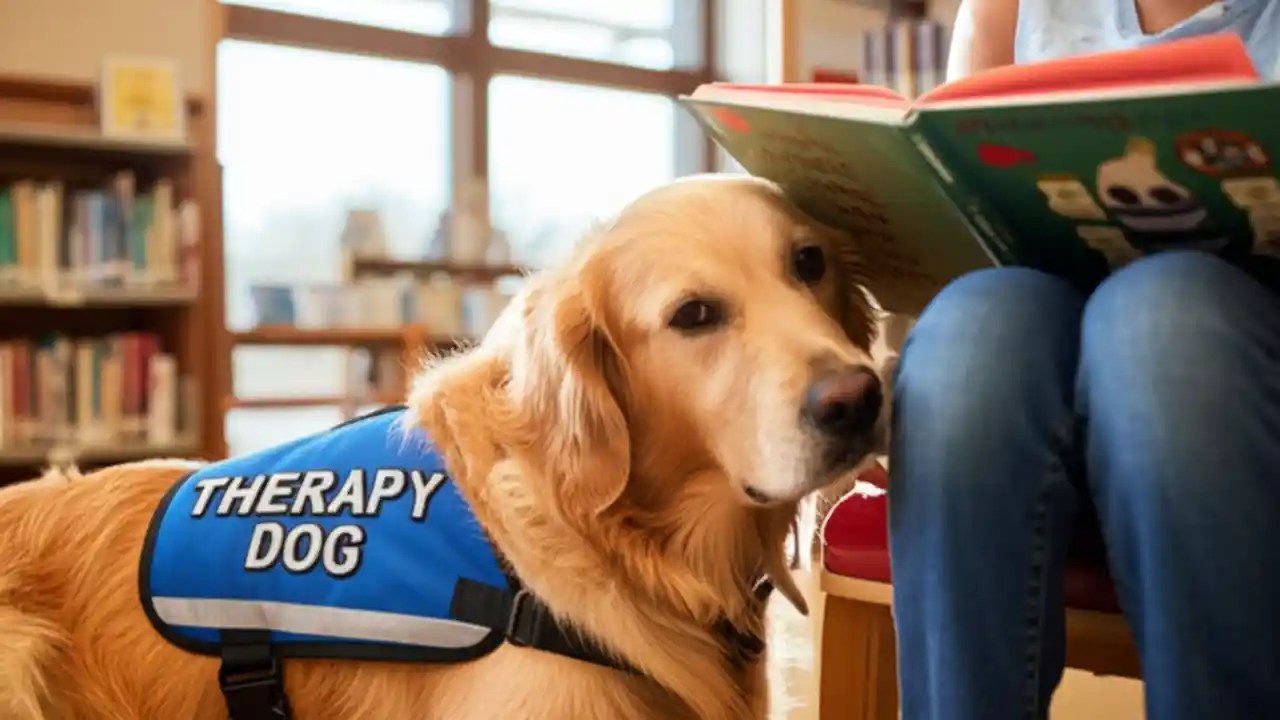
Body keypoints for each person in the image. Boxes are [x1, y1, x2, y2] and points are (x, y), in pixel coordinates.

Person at [889, 1, 1280, 719]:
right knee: (968, 337)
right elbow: (958, 234)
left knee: (1157, 318)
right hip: (1046, 377)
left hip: (1233, 384)